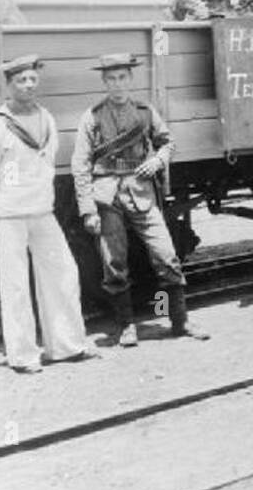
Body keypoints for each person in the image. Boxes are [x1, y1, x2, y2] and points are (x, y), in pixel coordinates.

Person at [71, 53, 209, 344]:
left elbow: (168, 142)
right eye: (111, 79)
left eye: (122, 78)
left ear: (130, 79)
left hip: (142, 193)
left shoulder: (145, 112)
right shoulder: (92, 117)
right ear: (104, 82)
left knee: (166, 255)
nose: (117, 84)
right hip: (107, 196)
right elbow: (80, 165)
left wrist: (158, 160)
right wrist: (88, 211)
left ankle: (180, 322)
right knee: (114, 264)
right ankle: (126, 326)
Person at [0, 55, 94, 373]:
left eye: (32, 80)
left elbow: (47, 161)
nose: (27, 86)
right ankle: (23, 355)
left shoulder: (46, 118)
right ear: (8, 85)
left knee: (63, 273)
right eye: (20, 81)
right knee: (16, 285)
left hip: (41, 210)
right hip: (9, 215)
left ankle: (66, 345)